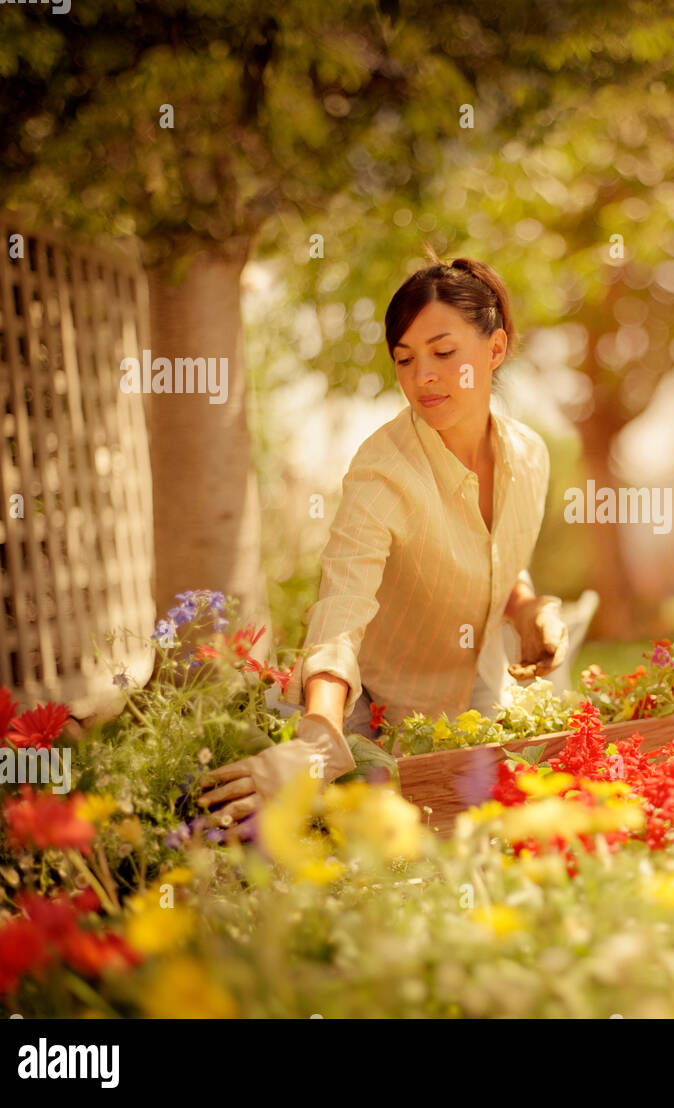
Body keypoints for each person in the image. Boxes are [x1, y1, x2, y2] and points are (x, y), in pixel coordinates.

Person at [198, 246, 567, 831]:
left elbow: (498, 560)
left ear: (494, 349)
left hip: (472, 700)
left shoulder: (529, 456)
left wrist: (528, 611)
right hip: (373, 711)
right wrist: (320, 735)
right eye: (404, 359)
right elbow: (340, 610)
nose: (423, 376)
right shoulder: (382, 471)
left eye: (444, 352)